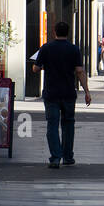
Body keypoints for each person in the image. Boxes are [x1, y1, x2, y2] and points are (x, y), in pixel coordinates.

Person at [30, 20, 91, 169]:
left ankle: (55, 158)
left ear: (54, 32)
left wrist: (43, 66)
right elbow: (79, 71)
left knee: (52, 125)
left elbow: (35, 69)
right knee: (68, 124)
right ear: (68, 32)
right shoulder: (74, 49)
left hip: (51, 93)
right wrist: (87, 92)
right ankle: (68, 157)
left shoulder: (46, 48)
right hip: (69, 93)